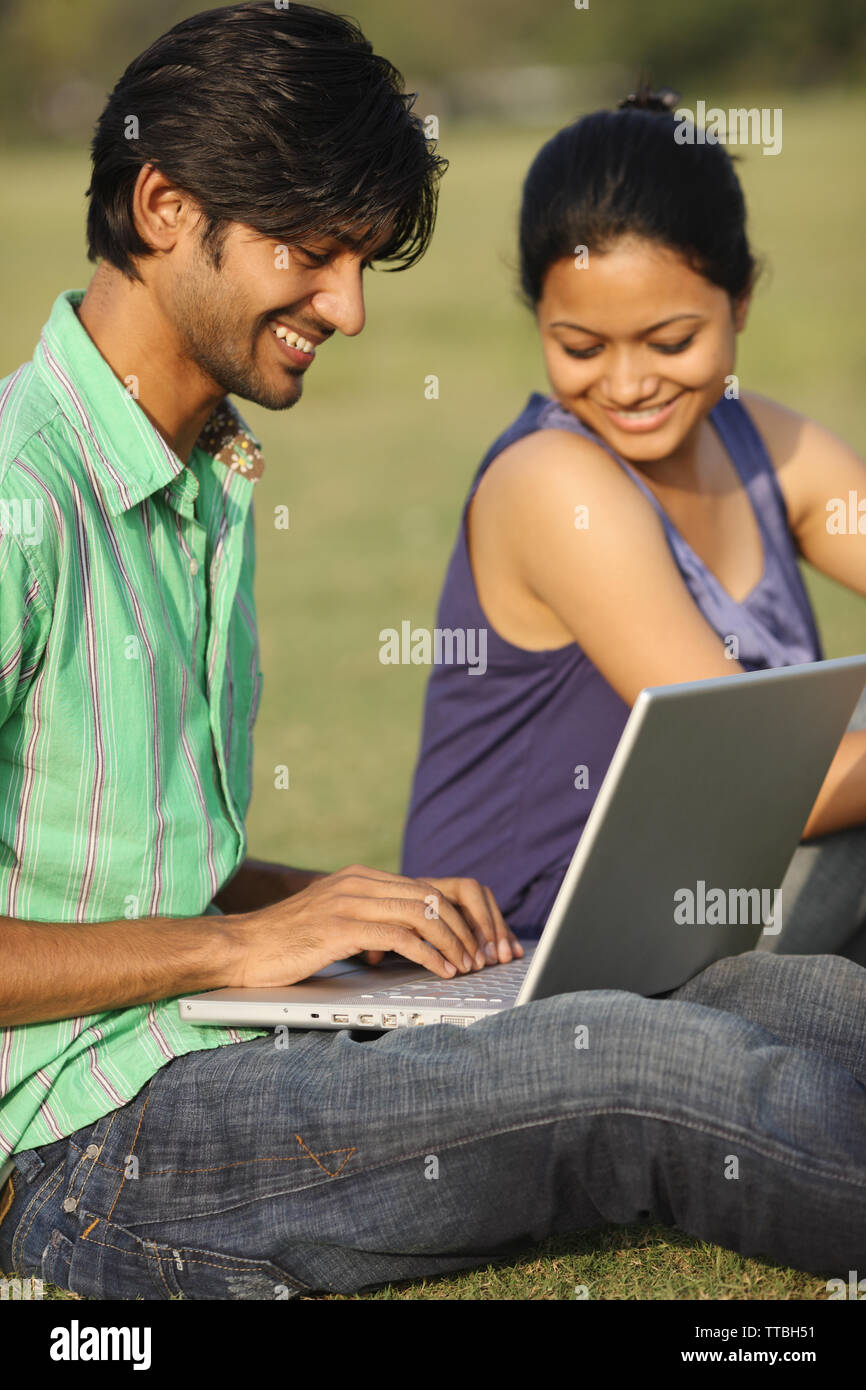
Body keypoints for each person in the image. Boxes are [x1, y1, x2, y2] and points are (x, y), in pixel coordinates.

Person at [0, 10, 863, 1298]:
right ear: (165, 204)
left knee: (778, 999)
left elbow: (112, 868)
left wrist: (329, 902)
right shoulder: (22, 490)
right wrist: (234, 948)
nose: (346, 308)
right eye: (312, 252)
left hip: (216, 1036)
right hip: (83, 1142)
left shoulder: (199, 474)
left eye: (360, 262)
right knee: (626, 1067)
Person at [401, 89, 866, 961]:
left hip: (721, 904)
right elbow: (758, 783)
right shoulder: (552, 485)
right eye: (581, 348)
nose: (625, 385)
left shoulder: (761, 438)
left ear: (743, 300)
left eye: (669, 341)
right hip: (549, 960)